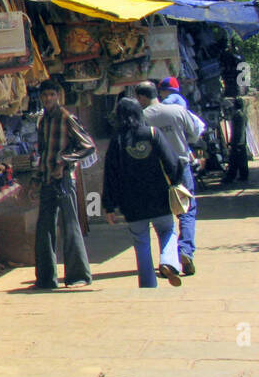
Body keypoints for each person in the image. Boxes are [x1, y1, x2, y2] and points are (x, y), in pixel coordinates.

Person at [103, 98, 184, 288]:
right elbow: (172, 163)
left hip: (131, 203)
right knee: (167, 231)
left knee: (141, 242)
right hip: (160, 198)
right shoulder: (153, 133)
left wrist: (109, 206)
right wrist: (177, 183)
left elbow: (110, 175)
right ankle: (168, 262)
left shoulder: (117, 141)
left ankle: (148, 285)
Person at [33, 78, 96, 290]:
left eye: (51, 95)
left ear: (58, 96)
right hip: (46, 179)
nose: (48, 99)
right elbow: (42, 152)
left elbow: (88, 146)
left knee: (70, 226)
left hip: (64, 180)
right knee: (44, 229)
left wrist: (64, 161)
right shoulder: (43, 121)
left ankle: (78, 276)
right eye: (45, 96)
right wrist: (36, 178)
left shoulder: (67, 118)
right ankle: (46, 278)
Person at [137, 80, 204, 275]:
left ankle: (169, 258)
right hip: (180, 167)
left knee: (163, 215)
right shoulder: (177, 110)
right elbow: (193, 135)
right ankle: (186, 250)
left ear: (141, 97)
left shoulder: (141, 117)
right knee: (187, 211)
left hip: (154, 171)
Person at [221, 97, 250, 186]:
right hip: (240, 142)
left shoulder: (238, 116)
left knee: (234, 161)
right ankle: (242, 176)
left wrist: (234, 142)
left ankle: (231, 177)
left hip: (238, 142)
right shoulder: (242, 115)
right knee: (241, 160)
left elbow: (238, 131)